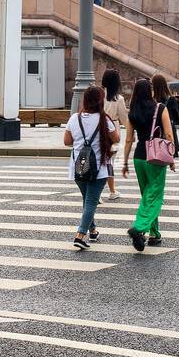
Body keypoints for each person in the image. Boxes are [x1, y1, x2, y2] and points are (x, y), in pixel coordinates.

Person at [122, 75, 176, 252]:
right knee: (154, 197)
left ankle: (154, 233)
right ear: (150, 91)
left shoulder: (133, 112)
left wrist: (124, 162)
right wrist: (171, 158)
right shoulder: (160, 108)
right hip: (155, 157)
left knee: (147, 195)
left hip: (138, 157)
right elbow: (168, 135)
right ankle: (139, 228)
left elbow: (129, 139)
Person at [63, 85, 120, 251]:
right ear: (101, 101)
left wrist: (82, 138)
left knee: (88, 199)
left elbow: (67, 141)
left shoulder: (75, 118)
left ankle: (93, 230)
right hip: (99, 168)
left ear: (85, 100)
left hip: (79, 166)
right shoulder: (104, 119)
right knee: (90, 201)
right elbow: (115, 138)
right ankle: (80, 235)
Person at [100, 69, 127, 201]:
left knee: (100, 160)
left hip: (98, 129)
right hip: (113, 130)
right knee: (109, 161)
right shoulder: (118, 99)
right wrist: (131, 131)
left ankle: (99, 190)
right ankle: (111, 191)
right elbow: (124, 118)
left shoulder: (98, 95)